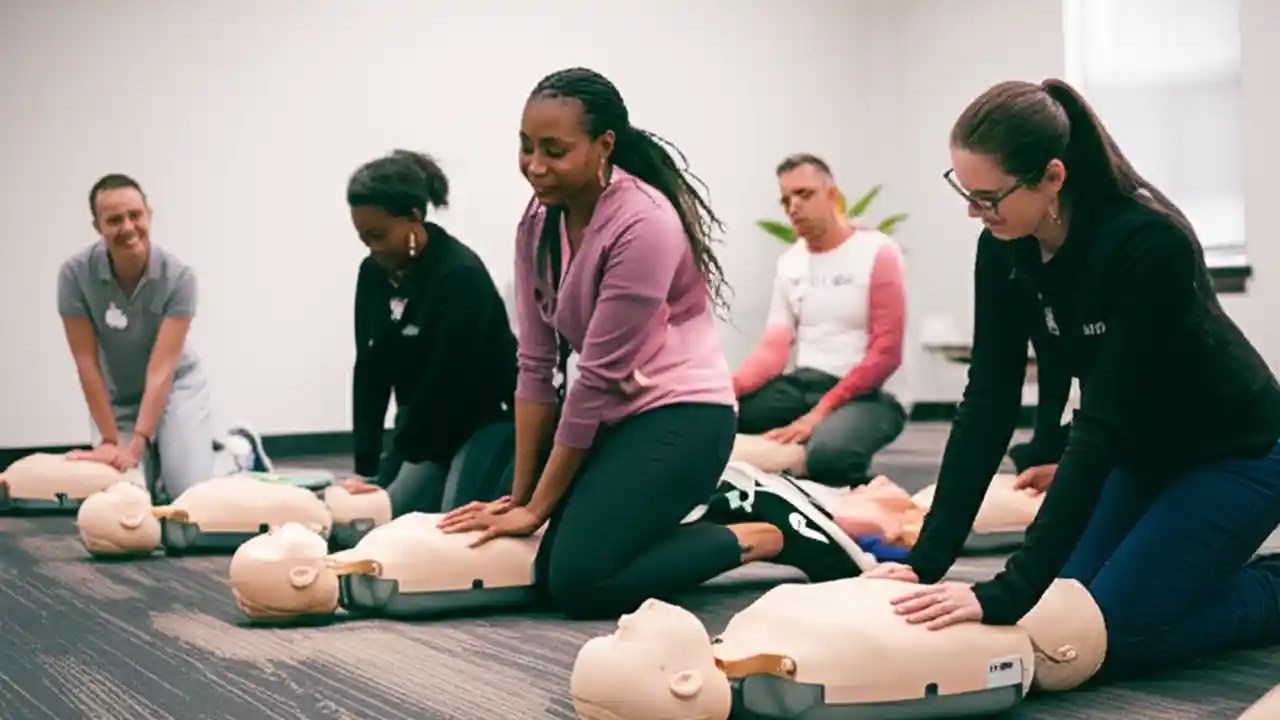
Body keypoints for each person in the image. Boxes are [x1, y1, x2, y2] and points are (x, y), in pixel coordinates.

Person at [864, 79, 1280, 681]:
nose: (975, 212)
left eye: (989, 197)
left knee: (1112, 635)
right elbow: (988, 403)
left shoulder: (1147, 242)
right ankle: (1189, 575)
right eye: (965, 192)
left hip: (1237, 453)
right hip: (1141, 455)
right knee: (1065, 611)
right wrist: (925, 561)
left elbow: (1101, 423)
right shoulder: (1002, 249)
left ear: (1052, 177)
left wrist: (1005, 594)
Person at [437, 67, 863, 620]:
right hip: (614, 417)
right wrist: (521, 501)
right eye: (525, 146)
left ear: (603, 145)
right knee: (530, 544)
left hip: (683, 418)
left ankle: (762, 532)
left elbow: (595, 381)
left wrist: (540, 505)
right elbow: (536, 363)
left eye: (554, 150)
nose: (535, 166)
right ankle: (695, 505)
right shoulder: (537, 221)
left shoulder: (644, 224)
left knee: (579, 580)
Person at [57, 174, 271, 503]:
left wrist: (138, 442)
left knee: (187, 494)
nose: (128, 227)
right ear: (97, 226)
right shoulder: (74, 275)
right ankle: (158, 466)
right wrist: (110, 442)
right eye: (114, 220)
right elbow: (86, 363)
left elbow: (162, 367)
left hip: (175, 387)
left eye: (135, 215)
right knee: (128, 491)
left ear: (149, 214)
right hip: (117, 396)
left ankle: (239, 451)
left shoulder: (178, 277)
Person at [339, 150, 518, 516]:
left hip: (482, 422)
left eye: (379, 235)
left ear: (413, 218)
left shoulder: (459, 276)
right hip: (421, 426)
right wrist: (367, 468)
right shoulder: (371, 274)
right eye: (363, 238)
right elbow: (370, 371)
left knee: (451, 526)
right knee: (370, 519)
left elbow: (446, 385)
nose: (372, 248)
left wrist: (393, 466)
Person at [733, 154, 909, 486]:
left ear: (833, 196)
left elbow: (885, 354)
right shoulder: (790, 261)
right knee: (716, 419)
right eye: (786, 199)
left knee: (829, 457)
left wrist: (819, 415)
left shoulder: (877, 252)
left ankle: (856, 489)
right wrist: (725, 389)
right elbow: (774, 348)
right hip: (802, 385)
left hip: (868, 394)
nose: (793, 206)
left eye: (804, 194)